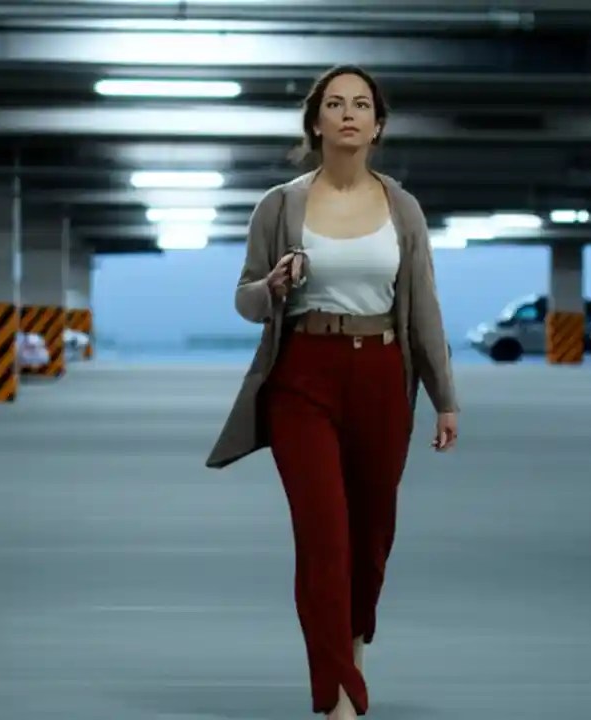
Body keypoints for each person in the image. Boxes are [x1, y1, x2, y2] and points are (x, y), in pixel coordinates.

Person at [205, 65, 459, 719]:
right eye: (335, 104)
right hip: (303, 378)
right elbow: (244, 300)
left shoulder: (401, 207)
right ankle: (339, 698)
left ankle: (348, 657)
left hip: (380, 374)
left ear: (378, 125)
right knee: (324, 539)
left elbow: (424, 308)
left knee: (371, 540)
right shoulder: (281, 205)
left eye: (362, 105)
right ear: (315, 121)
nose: (349, 114)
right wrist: (275, 288)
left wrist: (445, 398)